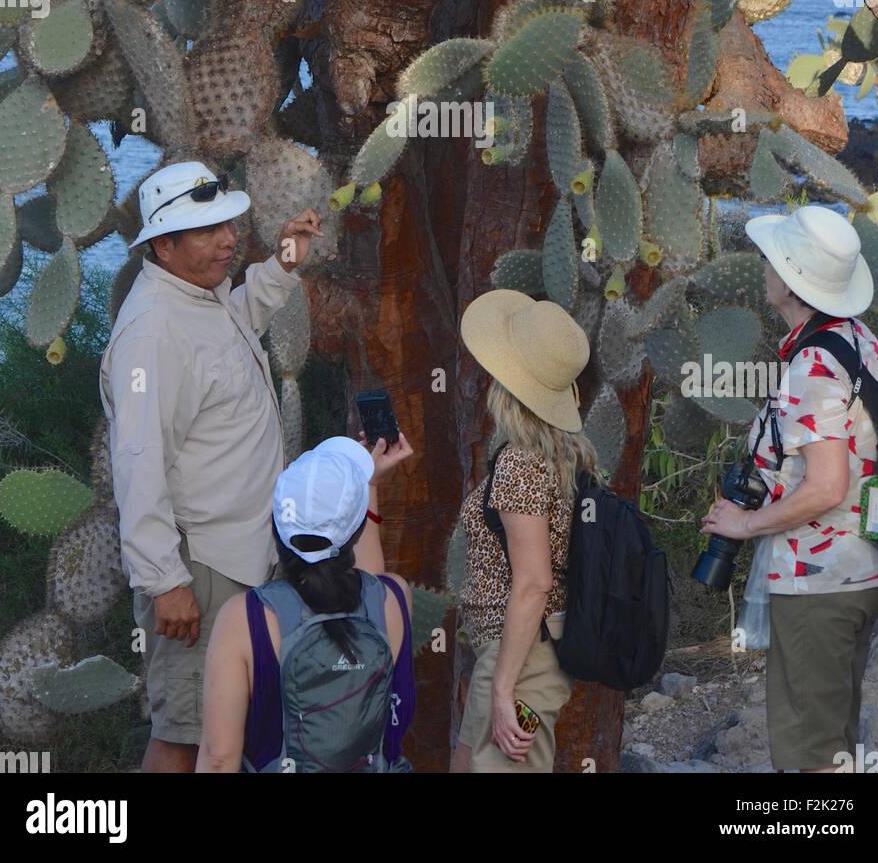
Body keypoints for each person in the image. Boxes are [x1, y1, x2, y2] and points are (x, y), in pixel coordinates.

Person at [99, 159, 323, 773]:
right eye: (208, 230)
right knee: (186, 733)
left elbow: (242, 319)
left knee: (221, 728)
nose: (228, 239)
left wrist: (282, 263)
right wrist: (164, 580)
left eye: (229, 223)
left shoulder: (203, 296)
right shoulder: (152, 333)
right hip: (199, 570)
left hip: (239, 556)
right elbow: (138, 463)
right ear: (164, 246)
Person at [702, 203, 878, 774]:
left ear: (788, 280)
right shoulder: (859, 339)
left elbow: (828, 483)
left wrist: (745, 523)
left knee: (813, 761)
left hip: (820, 584)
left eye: (771, 259)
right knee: (832, 741)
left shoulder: (812, 365)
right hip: (858, 568)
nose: (763, 267)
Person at [195, 433, 416, 772]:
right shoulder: (394, 599)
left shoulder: (246, 619)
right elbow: (367, 586)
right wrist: (369, 490)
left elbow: (219, 758)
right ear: (356, 531)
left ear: (276, 525)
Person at [451, 289, 598, 773]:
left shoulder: (520, 463)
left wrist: (502, 687)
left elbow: (533, 582)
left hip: (520, 656)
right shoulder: (566, 454)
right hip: (529, 650)